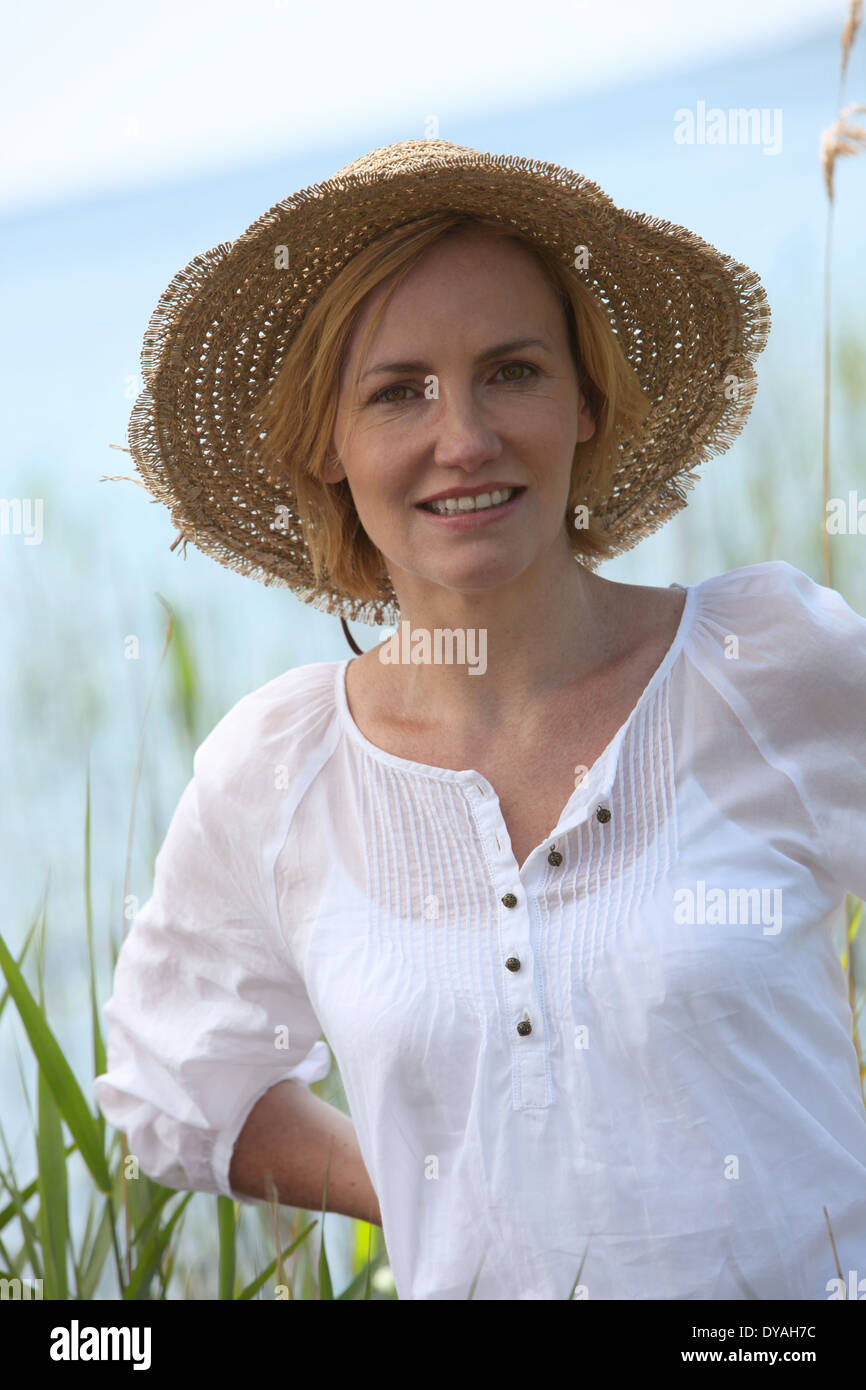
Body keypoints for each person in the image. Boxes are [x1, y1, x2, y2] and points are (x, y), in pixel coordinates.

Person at [94, 139, 866, 1300]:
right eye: (397, 390)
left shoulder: (766, 664)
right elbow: (173, 1087)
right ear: (328, 445)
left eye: (511, 371)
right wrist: (427, 1181)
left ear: (585, 401)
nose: (463, 438)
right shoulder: (281, 771)